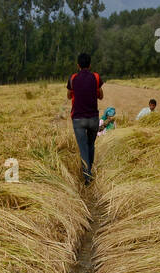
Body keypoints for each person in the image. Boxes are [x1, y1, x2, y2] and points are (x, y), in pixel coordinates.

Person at [67, 52, 104, 184]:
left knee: (83, 148)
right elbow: (100, 96)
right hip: (93, 117)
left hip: (78, 119)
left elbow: (69, 95)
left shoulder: (73, 78)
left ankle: (87, 176)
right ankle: (90, 169)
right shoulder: (96, 77)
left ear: (78, 65)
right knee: (91, 145)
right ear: (90, 64)